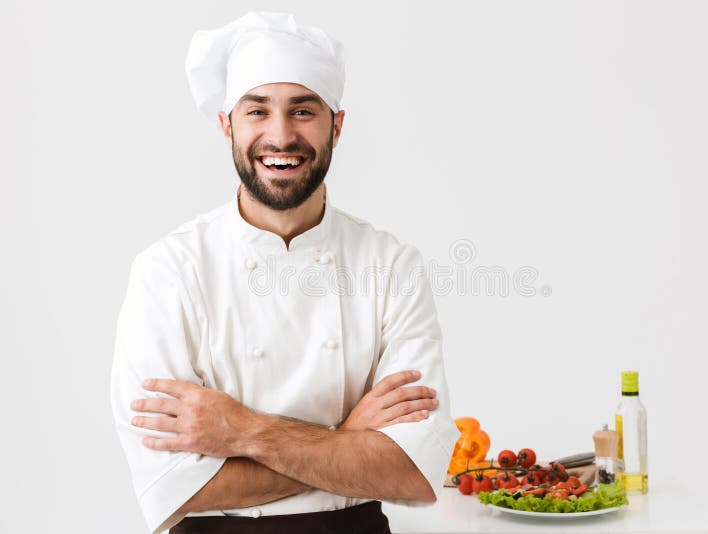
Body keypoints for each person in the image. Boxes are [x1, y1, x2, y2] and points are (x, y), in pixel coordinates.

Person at [109, 11, 460, 534]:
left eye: (302, 111)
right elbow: (173, 487)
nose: (280, 135)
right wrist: (348, 439)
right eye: (257, 111)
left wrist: (242, 430)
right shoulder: (168, 272)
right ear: (227, 125)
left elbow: (414, 472)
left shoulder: (390, 266)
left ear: (336, 126)